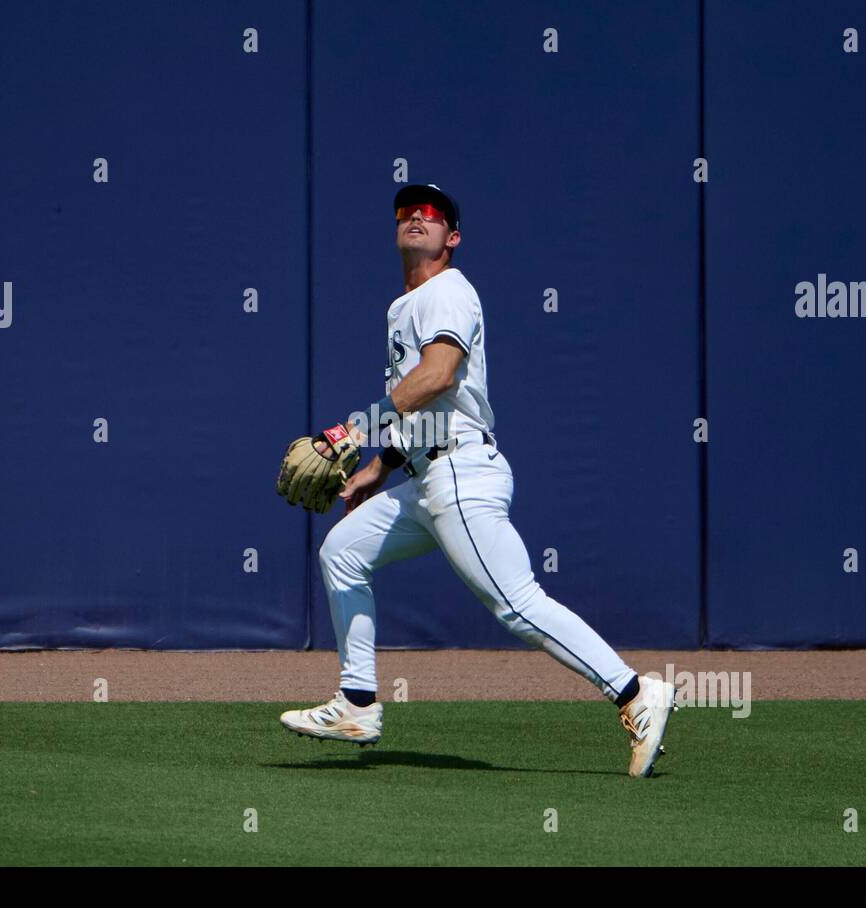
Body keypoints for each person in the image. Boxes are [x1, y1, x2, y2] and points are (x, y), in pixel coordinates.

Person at [279, 183, 675, 777]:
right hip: (423, 478)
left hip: (459, 472)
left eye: (432, 214)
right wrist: (375, 471)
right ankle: (357, 704)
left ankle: (634, 691)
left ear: (452, 237)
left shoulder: (448, 290)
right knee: (341, 552)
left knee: (516, 604)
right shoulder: (402, 305)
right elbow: (417, 403)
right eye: (407, 211)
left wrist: (349, 431)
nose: (417, 216)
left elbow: (437, 377)